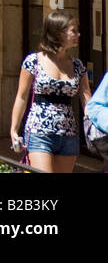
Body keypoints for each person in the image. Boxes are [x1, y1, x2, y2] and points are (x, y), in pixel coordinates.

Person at [10, 10, 92, 173]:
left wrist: (93, 125)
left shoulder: (78, 66)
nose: (78, 34)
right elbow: (22, 96)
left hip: (68, 133)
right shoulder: (33, 61)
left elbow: (86, 98)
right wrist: (13, 129)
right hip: (39, 131)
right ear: (58, 33)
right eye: (73, 31)